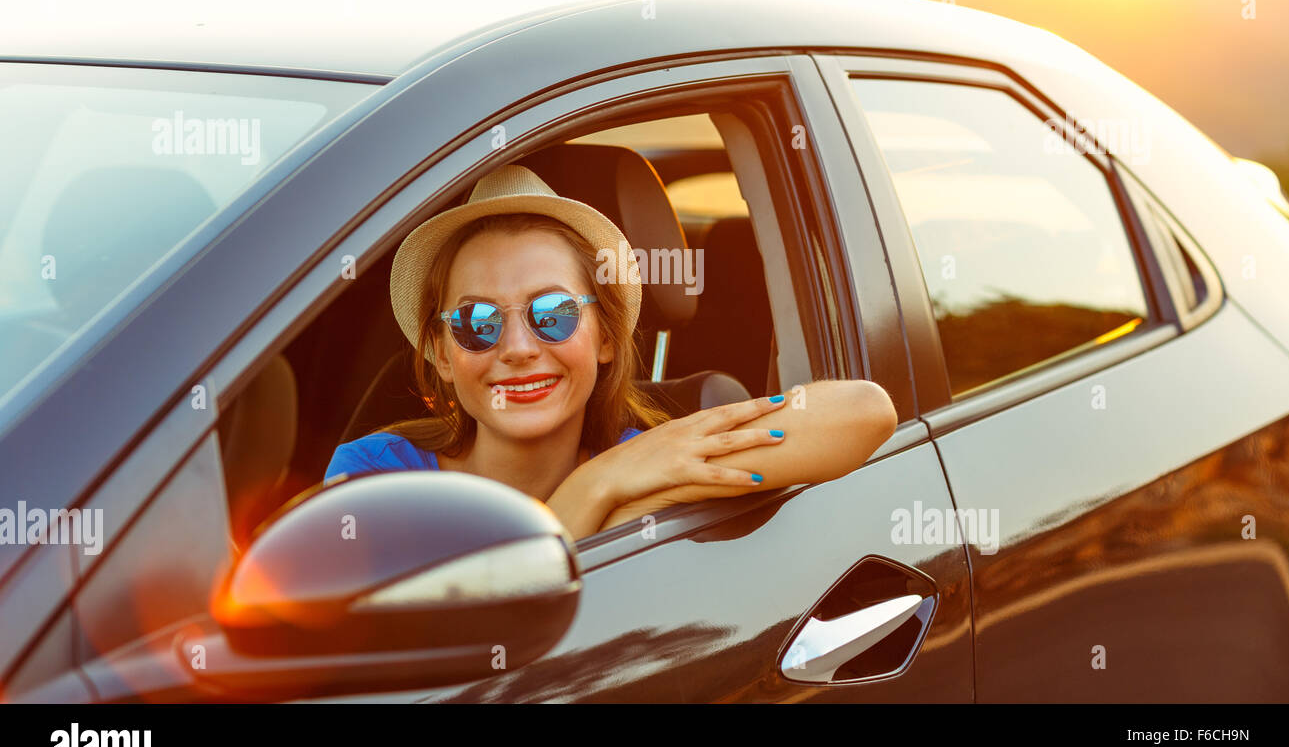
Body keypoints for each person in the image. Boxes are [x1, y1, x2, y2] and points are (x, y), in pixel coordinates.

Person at [323, 164, 898, 539]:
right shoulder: (375, 474)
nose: (519, 347)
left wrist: (621, 470)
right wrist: (596, 491)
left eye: (554, 315)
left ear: (603, 337)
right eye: (479, 322)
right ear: (443, 354)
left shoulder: (650, 454)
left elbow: (865, 412)